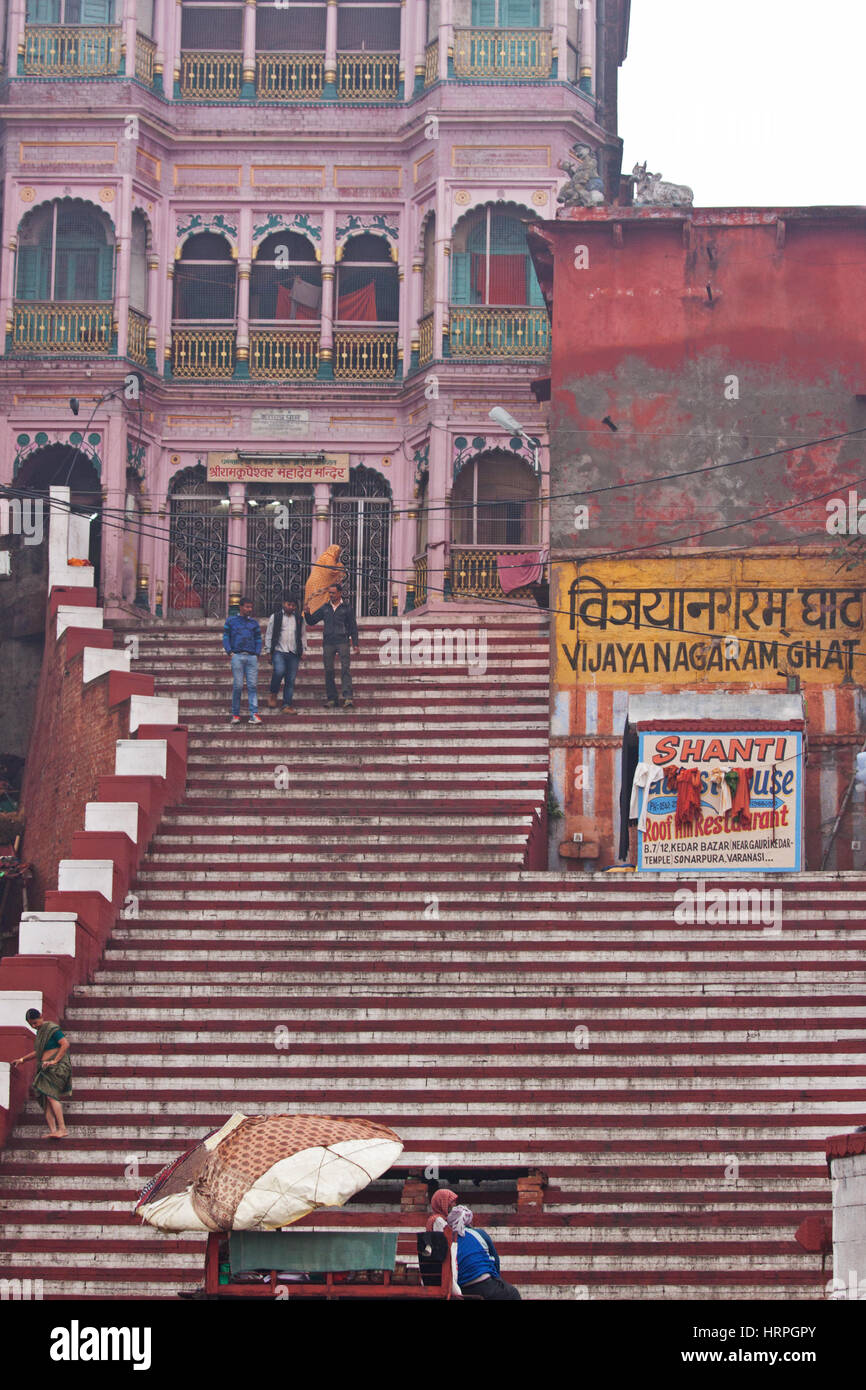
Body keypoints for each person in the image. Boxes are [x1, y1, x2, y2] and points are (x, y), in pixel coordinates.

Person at [11, 1008, 72, 1139]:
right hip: (44, 1069)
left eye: (35, 1022)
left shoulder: (51, 1029)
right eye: (31, 1024)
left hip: (57, 1068)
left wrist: (54, 1061)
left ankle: (63, 1129)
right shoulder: (40, 1034)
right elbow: (38, 1052)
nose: (34, 1026)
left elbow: (65, 1044)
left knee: (51, 1096)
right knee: (45, 1100)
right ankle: (53, 1130)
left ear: (41, 1017)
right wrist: (22, 1060)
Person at [447, 1204, 522, 1300]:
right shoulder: (478, 1233)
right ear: (468, 1221)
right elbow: (495, 1261)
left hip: (462, 1290)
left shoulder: (447, 1239)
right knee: (513, 1293)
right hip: (487, 1286)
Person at [304, 583, 359, 709]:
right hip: (328, 642)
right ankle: (332, 698)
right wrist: (307, 613)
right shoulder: (325, 608)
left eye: (333, 593)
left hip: (343, 641)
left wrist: (355, 644)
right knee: (329, 671)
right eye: (330, 593)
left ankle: (348, 697)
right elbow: (312, 621)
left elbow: (353, 627)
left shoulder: (347, 607)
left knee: (345, 669)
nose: (331, 595)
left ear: (340, 593)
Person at [223, 596, 263, 725]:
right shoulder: (231, 621)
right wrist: (230, 652)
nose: (249, 609)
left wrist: (257, 653)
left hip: (251, 657)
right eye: (247, 607)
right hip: (237, 656)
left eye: (251, 607)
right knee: (238, 686)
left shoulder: (254, 623)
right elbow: (225, 637)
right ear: (240, 607)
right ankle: (235, 714)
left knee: (252, 685)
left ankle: (254, 713)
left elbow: (258, 639)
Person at [264, 593, 305, 716]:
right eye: (289, 604)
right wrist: (268, 651)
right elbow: (269, 634)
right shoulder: (275, 617)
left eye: (293, 605)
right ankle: (273, 693)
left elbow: (303, 635)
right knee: (279, 671)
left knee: (290, 679)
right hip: (279, 650)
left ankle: (287, 705)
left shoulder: (299, 618)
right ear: (284, 604)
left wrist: (303, 650)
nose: (291, 607)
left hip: (293, 652)